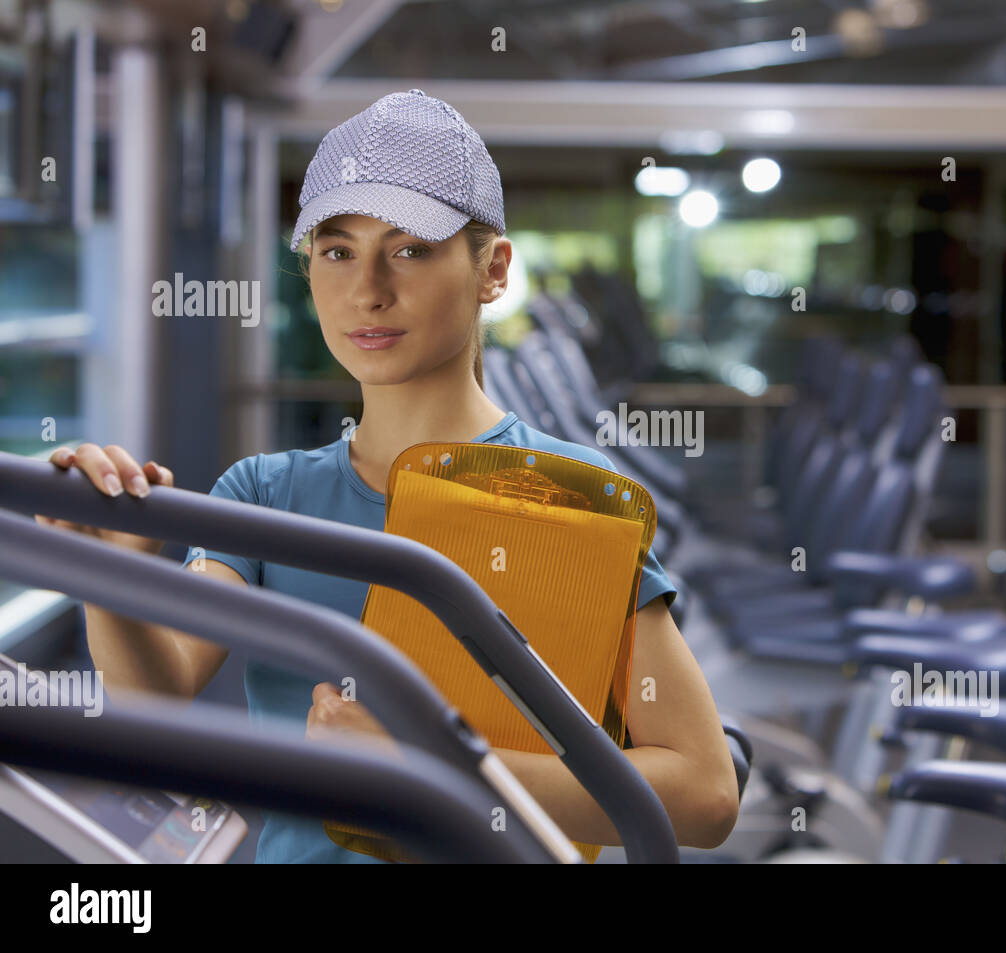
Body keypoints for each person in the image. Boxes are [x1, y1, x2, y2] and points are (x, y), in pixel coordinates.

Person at [38, 89, 738, 863]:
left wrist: (425, 764)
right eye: (337, 252)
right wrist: (108, 577)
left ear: (493, 269)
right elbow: (156, 706)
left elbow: (703, 794)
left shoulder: (569, 494)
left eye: (409, 249)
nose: (368, 288)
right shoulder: (265, 494)